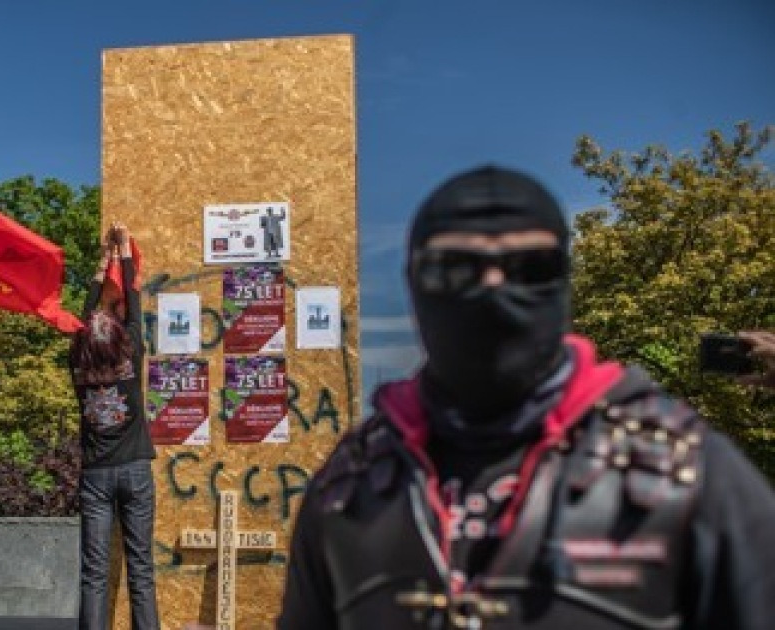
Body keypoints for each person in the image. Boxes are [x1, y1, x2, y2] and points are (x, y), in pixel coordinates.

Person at [278, 166, 775, 629]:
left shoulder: (685, 474)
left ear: (563, 282)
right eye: (454, 267)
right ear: (412, 283)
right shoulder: (352, 485)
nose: (494, 287)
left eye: (531, 267)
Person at [70, 222, 159, 630]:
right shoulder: (130, 360)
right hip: (135, 469)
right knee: (140, 569)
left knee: (94, 571)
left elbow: (84, 318)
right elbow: (135, 304)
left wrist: (101, 261)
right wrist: (121, 251)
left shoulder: (77, 366)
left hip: (96, 475)